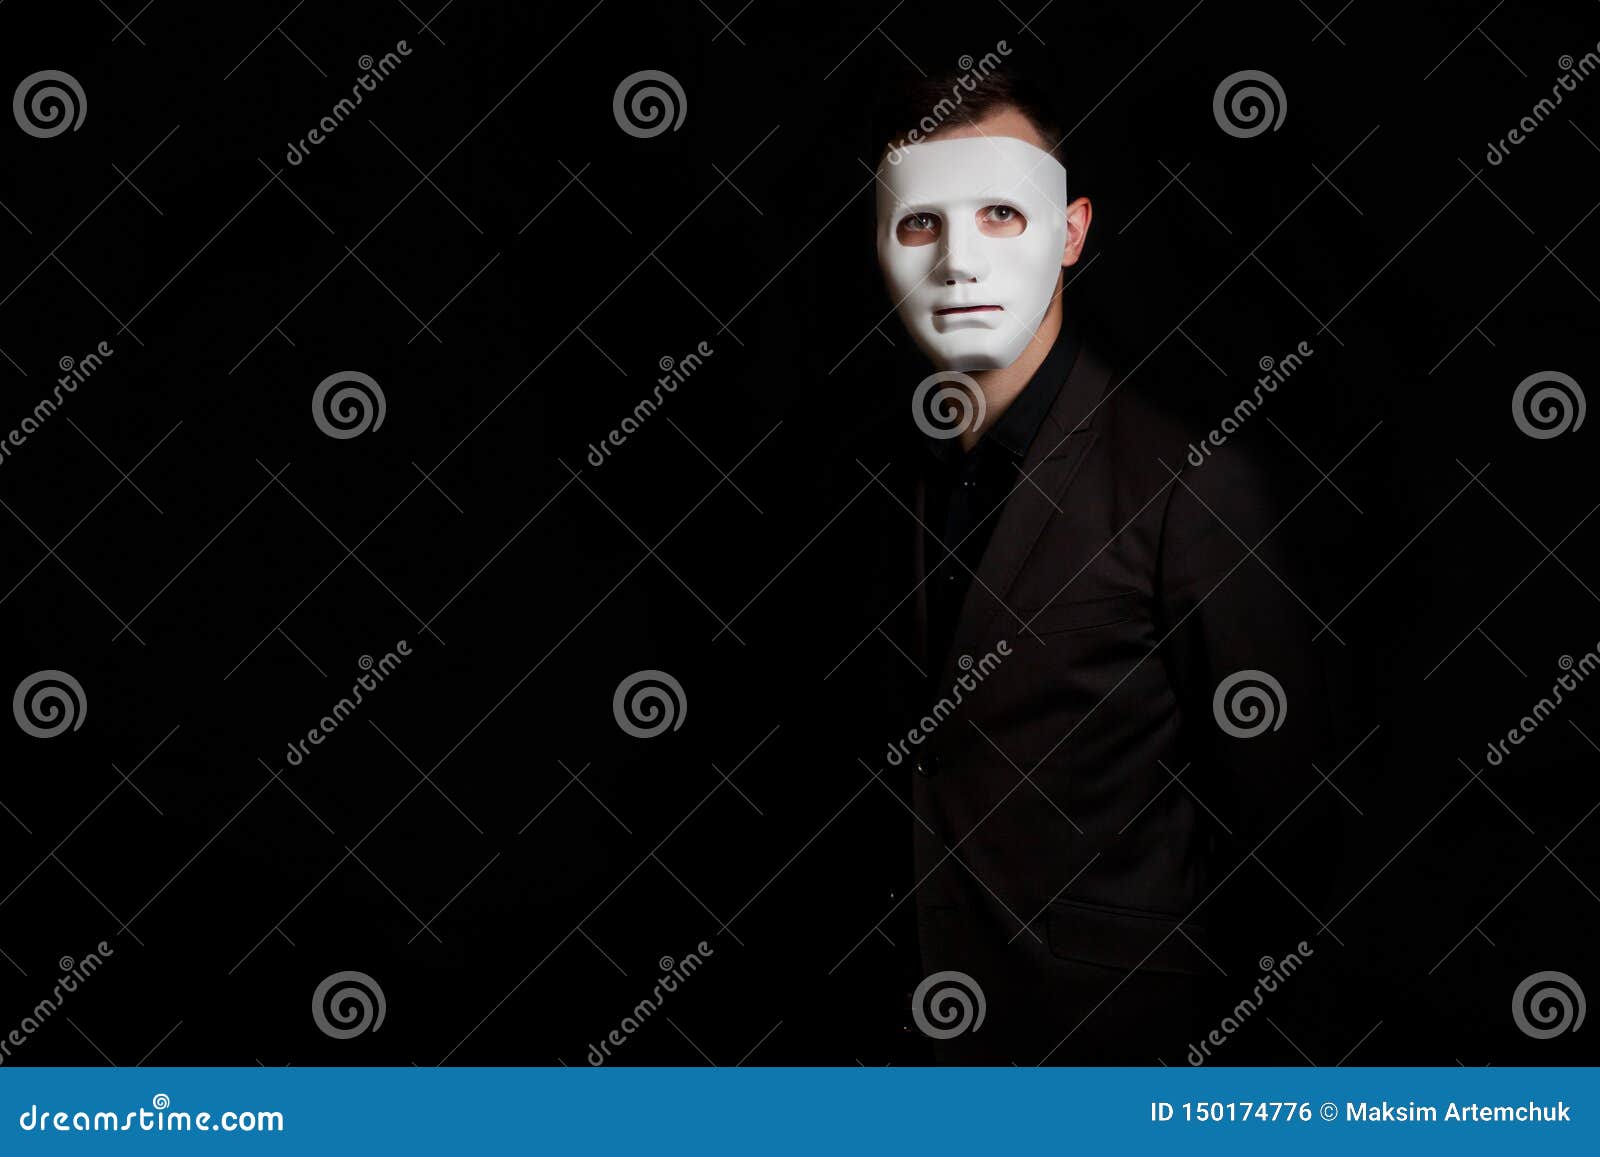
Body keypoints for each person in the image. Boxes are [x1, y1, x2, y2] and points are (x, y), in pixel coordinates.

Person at [863, 72, 1340, 1064]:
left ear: (1071, 232)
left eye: (1000, 212)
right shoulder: (880, 480)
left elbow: (1284, 828)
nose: (957, 262)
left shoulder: (1190, 483)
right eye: (919, 226)